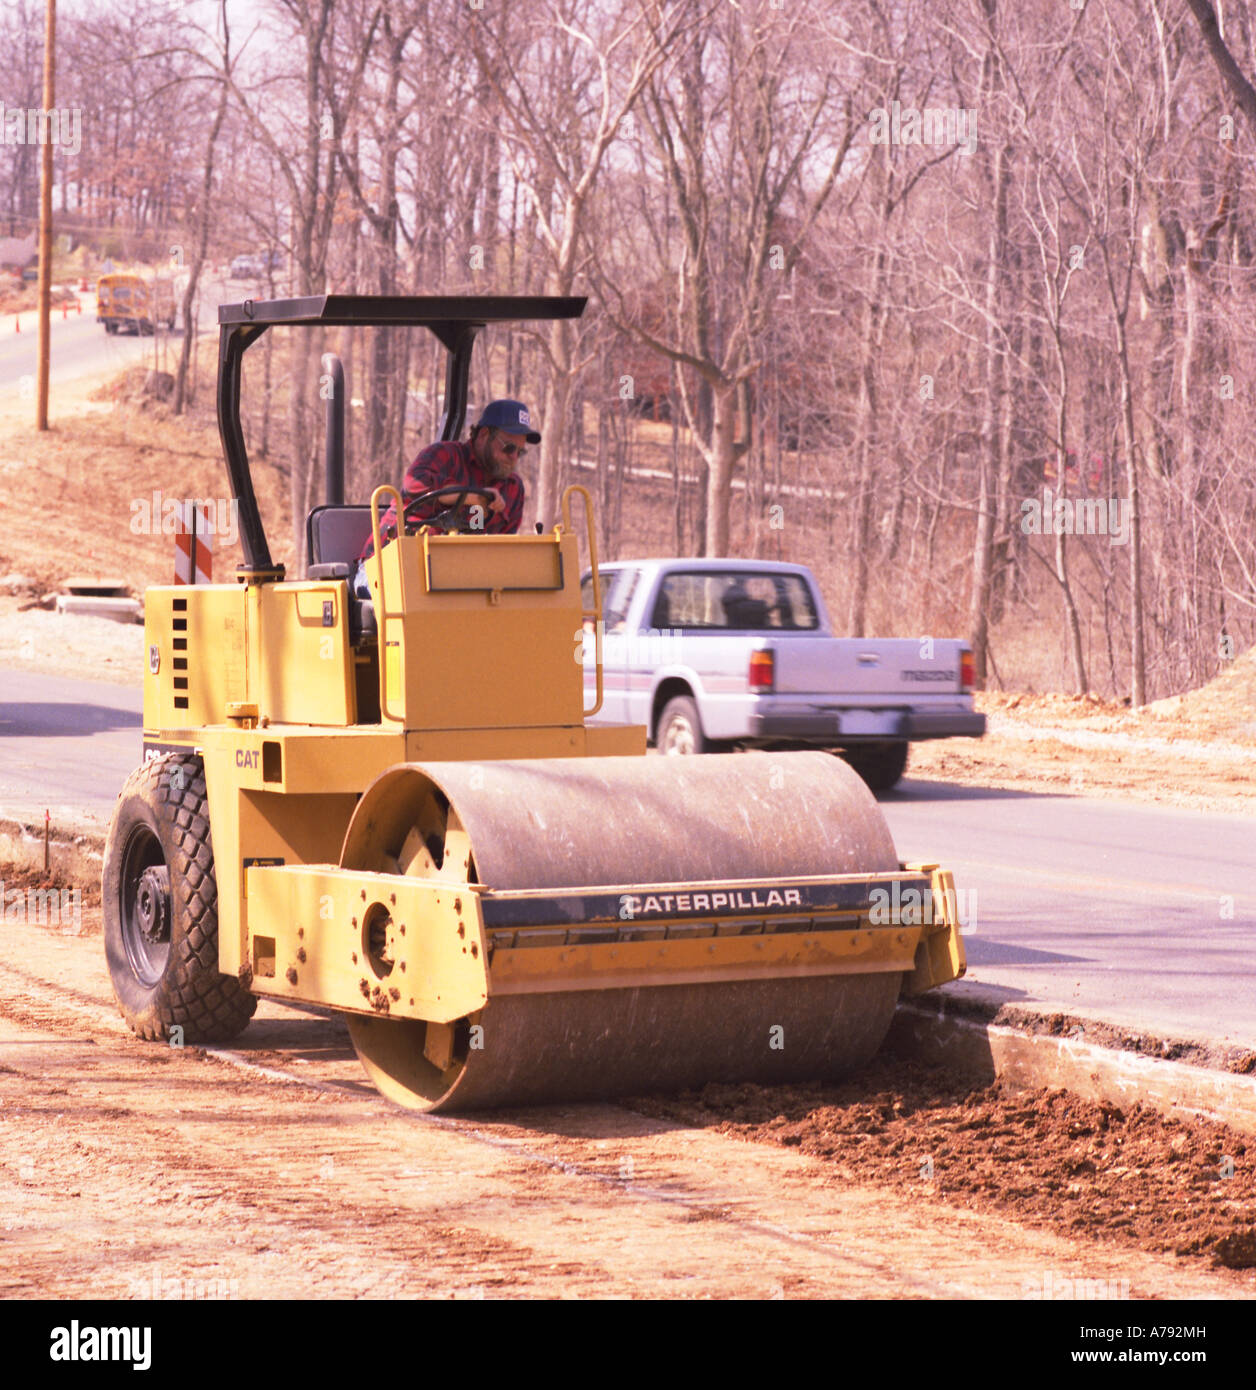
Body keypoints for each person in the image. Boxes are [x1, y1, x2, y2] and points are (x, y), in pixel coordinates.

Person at [353, 398, 540, 598]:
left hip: (455, 584)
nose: (514, 458)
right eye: (509, 448)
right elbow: (414, 485)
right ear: (484, 435)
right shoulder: (443, 456)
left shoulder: (512, 489)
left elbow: (502, 551)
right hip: (385, 570)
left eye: (521, 452)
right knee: (415, 604)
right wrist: (471, 497)